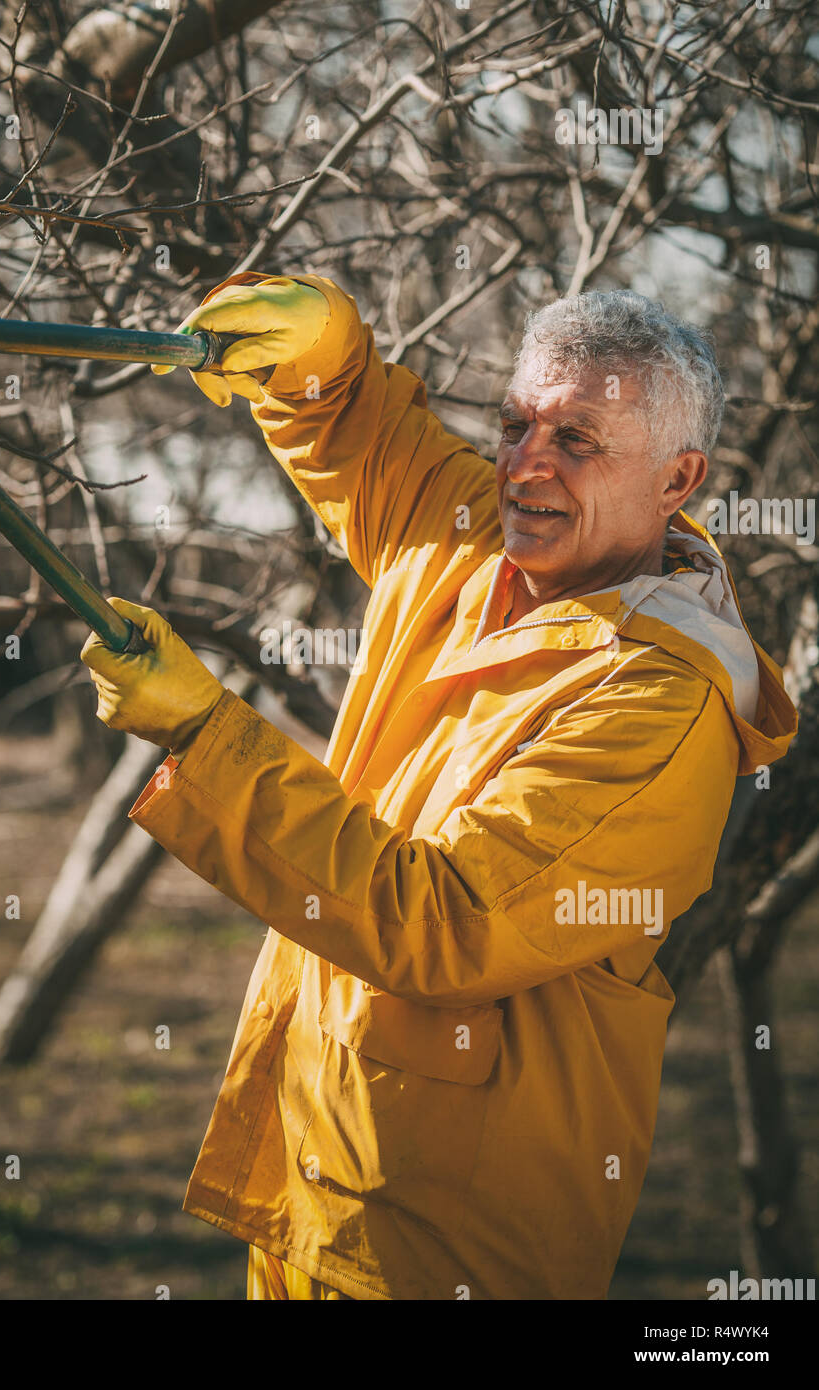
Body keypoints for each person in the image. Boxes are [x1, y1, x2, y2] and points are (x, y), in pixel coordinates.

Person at [80, 273, 796, 1300]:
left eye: (577, 440)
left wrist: (205, 731)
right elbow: (354, 429)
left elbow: (445, 920)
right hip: (315, 1185)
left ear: (675, 481)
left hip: (446, 1247)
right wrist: (319, 349)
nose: (525, 464)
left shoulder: (658, 702)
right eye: (514, 424)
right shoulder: (475, 542)